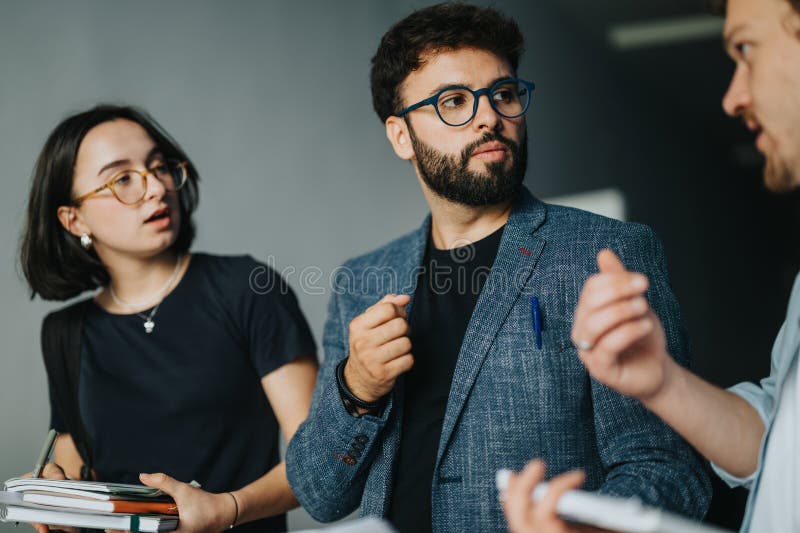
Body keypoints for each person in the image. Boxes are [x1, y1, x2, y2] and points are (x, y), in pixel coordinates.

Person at [285, 4, 710, 531]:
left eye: (503, 94)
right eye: (454, 101)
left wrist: (585, 525)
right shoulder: (362, 281)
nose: (489, 117)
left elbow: (668, 467)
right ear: (400, 137)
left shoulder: (604, 252)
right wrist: (357, 389)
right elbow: (318, 496)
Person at [502, 0, 800, 532]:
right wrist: (663, 384)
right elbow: (774, 445)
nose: (732, 97)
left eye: (745, 49)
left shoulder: (608, 243)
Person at [20, 105, 318, 533]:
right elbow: (75, 474)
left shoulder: (247, 288)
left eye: (158, 167)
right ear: (74, 219)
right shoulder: (65, 333)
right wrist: (57, 498)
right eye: (122, 178)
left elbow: (321, 463)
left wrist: (226, 508)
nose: (156, 188)